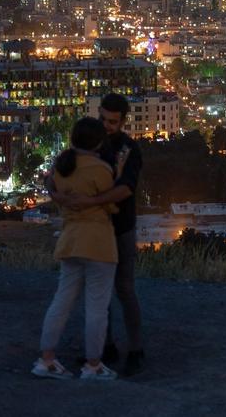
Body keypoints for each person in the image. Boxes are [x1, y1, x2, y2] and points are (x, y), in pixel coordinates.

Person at [52, 93, 145, 376]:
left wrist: (89, 202)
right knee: (98, 293)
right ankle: (104, 347)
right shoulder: (91, 143)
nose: (107, 125)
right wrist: (58, 195)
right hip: (94, 228)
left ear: (123, 121)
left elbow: (127, 188)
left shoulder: (130, 149)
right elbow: (58, 173)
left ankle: (135, 349)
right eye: (103, 119)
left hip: (119, 227)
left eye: (113, 121)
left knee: (124, 289)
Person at [32, 117, 120, 381]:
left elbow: (55, 190)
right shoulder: (100, 169)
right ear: (98, 141)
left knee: (62, 301)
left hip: (70, 239)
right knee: (96, 307)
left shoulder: (63, 166)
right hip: (98, 242)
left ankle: (46, 359)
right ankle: (93, 365)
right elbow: (111, 205)